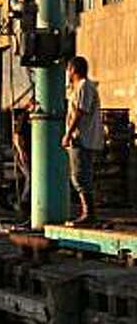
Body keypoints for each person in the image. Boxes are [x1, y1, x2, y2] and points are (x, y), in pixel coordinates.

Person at [63, 55, 105, 225]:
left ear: (73, 69)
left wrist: (68, 134)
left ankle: (89, 213)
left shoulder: (84, 86)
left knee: (80, 176)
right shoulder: (78, 88)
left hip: (82, 138)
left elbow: (80, 112)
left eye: (68, 69)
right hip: (80, 138)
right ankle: (87, 212)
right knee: (79, 175)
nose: (67, 72)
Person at [11, 98, 34, 212]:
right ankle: (24, 202)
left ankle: (26, 202)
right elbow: (17, 136)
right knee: (31, 176)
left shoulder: (31, 118)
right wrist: (21, 152)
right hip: (24, 152)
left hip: (29, 151)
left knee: (30, 176)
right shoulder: (24, 117)